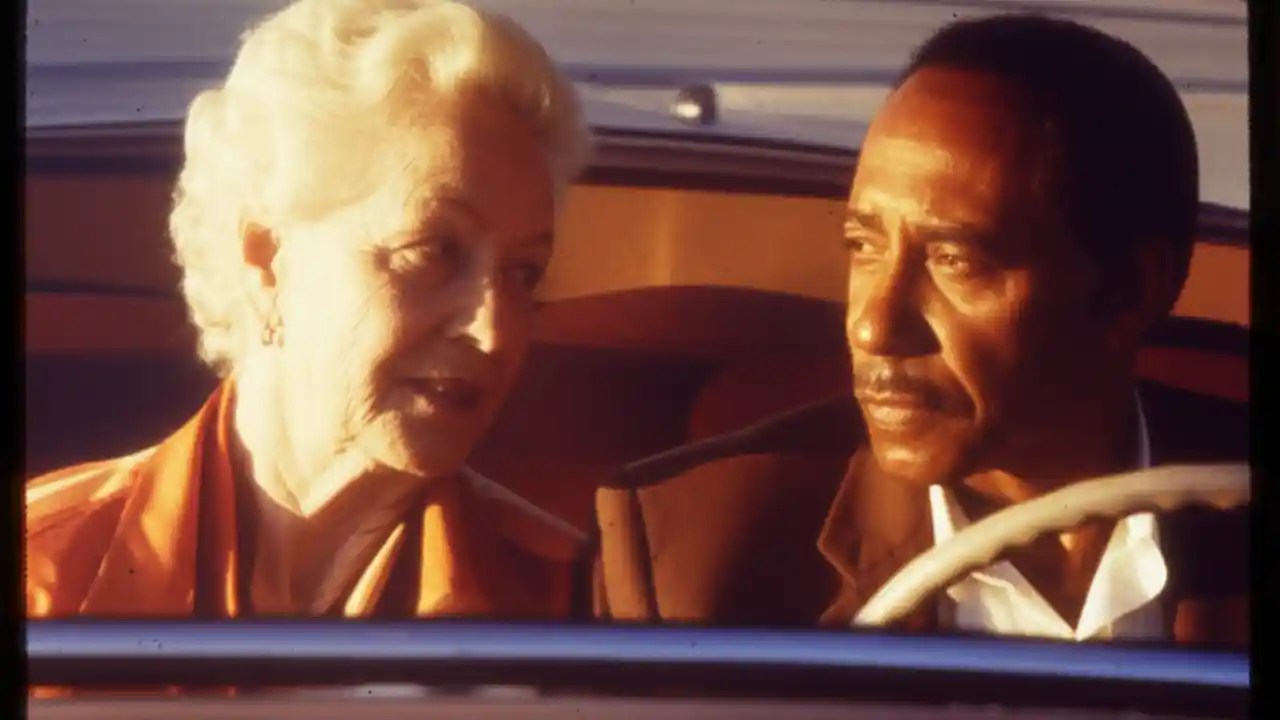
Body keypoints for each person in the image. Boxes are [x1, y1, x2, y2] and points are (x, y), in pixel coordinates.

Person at [593, 14, 1248, 645]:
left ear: (1127, 291)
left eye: (954, 260)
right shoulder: (694, 559)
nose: (874, 327)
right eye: (863, 245)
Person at [26, 0, 593, 620]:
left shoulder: (573, 606)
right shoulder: (46, 575)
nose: (495, 329)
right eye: (434, 251)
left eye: (523, 273)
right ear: (266, 258)